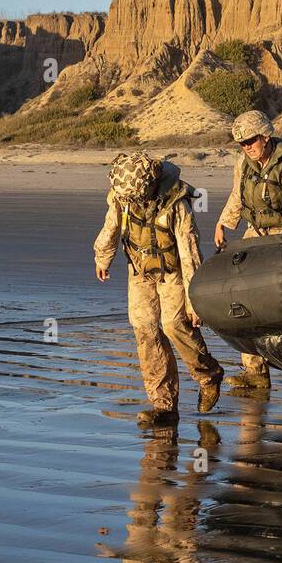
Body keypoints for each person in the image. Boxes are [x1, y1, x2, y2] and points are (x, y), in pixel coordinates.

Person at [94, 152, 224, 425]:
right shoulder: (122, 195)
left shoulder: (176, 203)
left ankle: (208, 375)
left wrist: (193, 301)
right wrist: (103, 257)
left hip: (173, 272)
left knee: (175, 325)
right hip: (139, 271)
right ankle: (163, 405)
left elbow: (189, 252)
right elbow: (112, 225)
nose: (130, 202)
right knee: (145, 330)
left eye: (135, 197)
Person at [213, 110, 282, 390]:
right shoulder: (243, 165)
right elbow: (237, 196)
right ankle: (254, 370)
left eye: (251, 141)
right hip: (254, 233)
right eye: (242, 143)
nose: (247, 147)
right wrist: (223, 224)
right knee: (243, 301)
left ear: (265, 137)